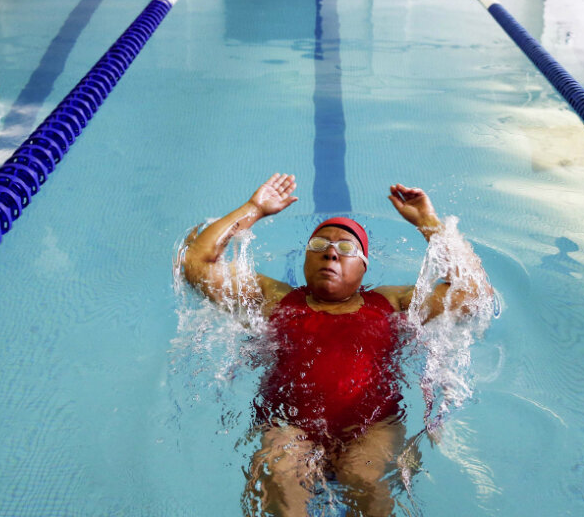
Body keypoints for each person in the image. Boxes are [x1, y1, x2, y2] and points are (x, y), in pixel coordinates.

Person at [181, 173, 491, 517]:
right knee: (282, 479)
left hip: (372, 428)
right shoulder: (275, 299)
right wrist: (254, 208)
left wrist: (429, 223)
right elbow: (196, 263)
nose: (330, 252)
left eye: (346, 248)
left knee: (367, 480)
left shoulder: (392, 303)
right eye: (319, 246)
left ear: (364, 267)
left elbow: (473, 294)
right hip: (289, 428)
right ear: (305, 261)